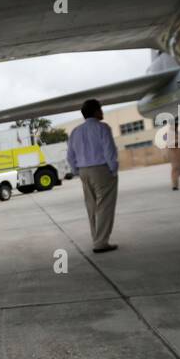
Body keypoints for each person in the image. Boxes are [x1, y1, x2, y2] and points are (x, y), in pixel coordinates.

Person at [66, 99, 120, 253]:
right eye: (100, 109)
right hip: (101, 169)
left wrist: (77, 171)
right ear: (96, 111)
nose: (102, 112)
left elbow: (70, 156)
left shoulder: (76, 131)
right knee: (105, 205)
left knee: (92, 206)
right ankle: (101, 242)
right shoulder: (102, 128)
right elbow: (109, 151)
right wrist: (113, 169)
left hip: (84, 171)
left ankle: (96, 238)